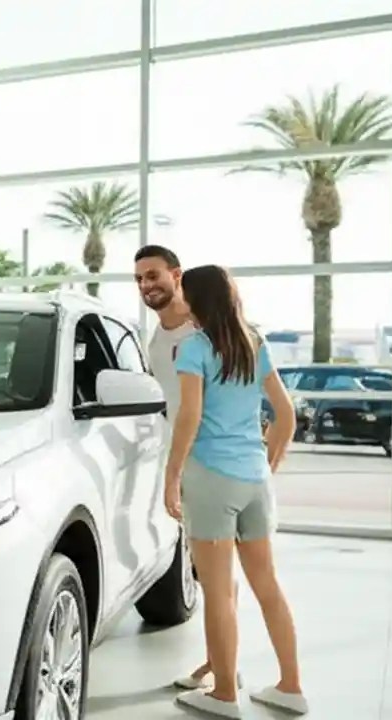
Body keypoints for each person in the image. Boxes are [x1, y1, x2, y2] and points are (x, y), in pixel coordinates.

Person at [163, 264, 307, 718]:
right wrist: (267, 467)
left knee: (219, 592)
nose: (180, 301)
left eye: (184, 293)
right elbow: (286, 415)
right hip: (253, 480)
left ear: (198, 300)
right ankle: (290, 686)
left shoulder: (195, 348)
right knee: (267, 585)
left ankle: (224, 693)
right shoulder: (254, 342)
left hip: (210, 478)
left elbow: (189, 417)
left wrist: (171, 477)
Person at [134, 245, 240, 690]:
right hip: (184, 465)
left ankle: (223, 672)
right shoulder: (155, 341)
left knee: (216, 576)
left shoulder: (206, 332)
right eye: (139, 279)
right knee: (210, 573)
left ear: (177, 276)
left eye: (154, 275)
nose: (146, 286)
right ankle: (219, 662)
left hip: (210, 466)